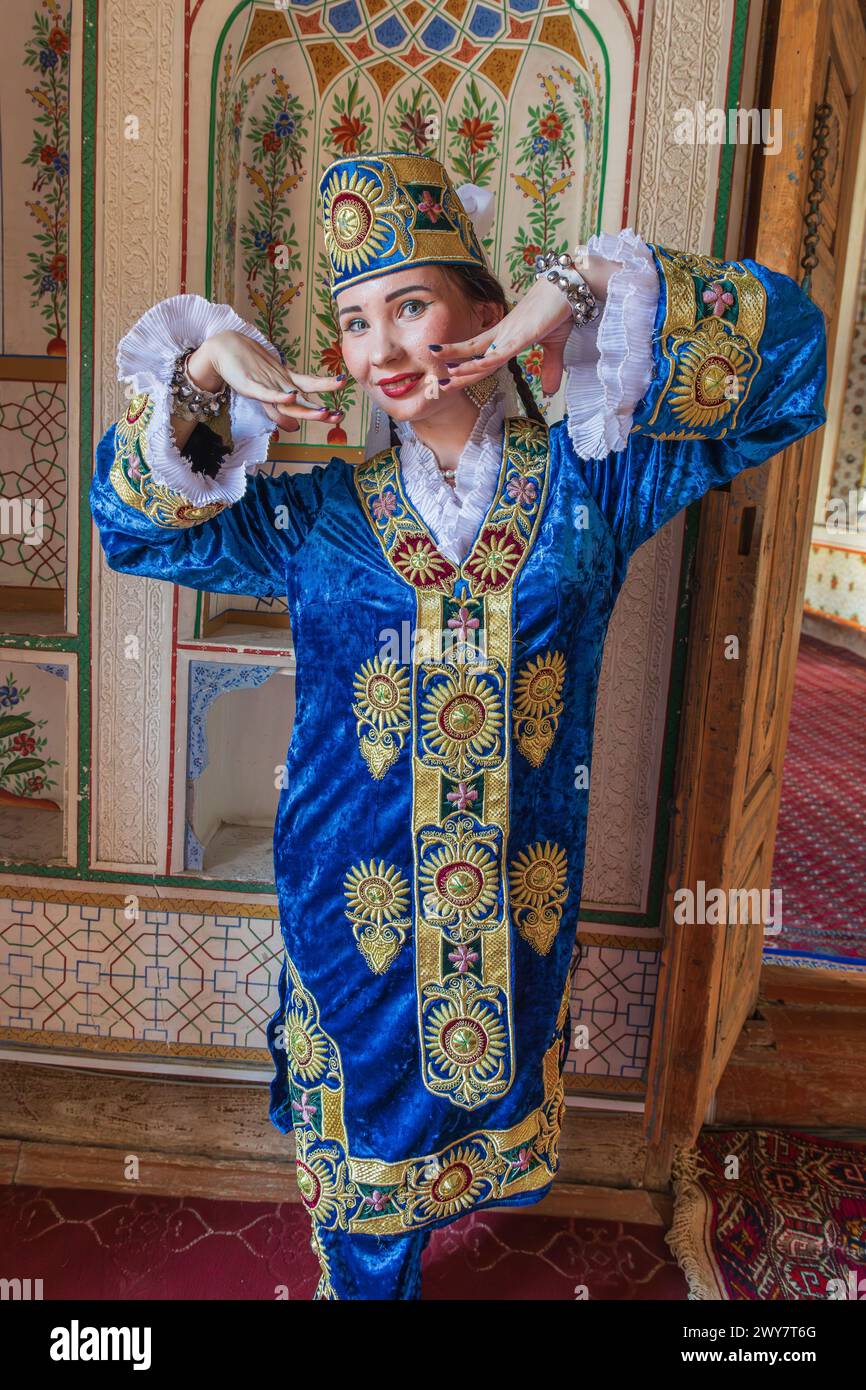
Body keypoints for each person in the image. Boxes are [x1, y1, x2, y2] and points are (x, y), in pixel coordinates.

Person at [90, 149, 827, 1300]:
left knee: (472, 1116)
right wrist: (199, 371)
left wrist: (581, 283)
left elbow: (789, 370)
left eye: (410, 305)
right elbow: (134, 530)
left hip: (510, 901)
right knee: (364, 1155)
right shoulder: (315, 513)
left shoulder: (595, 483)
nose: (379, 349)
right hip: (352, 897)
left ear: (487, 311)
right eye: (349, 322)